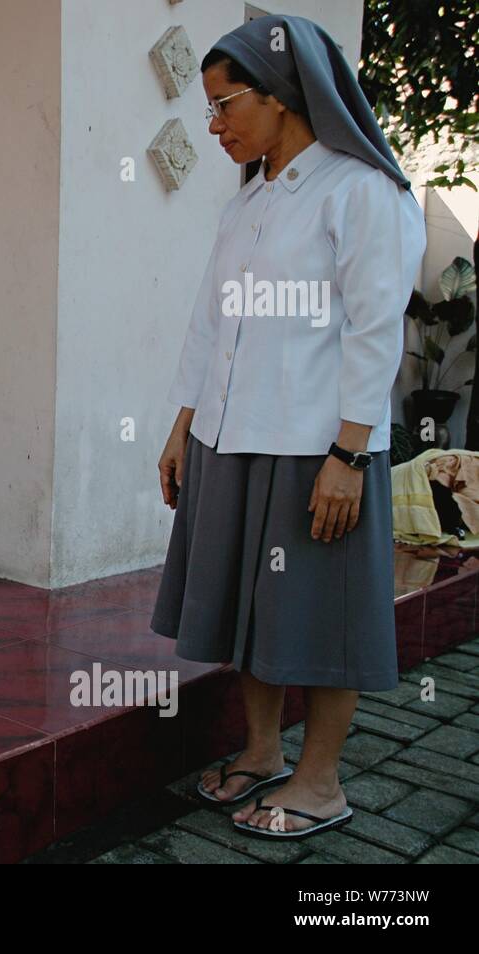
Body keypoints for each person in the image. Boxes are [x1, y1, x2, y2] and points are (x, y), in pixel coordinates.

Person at [151, 14, 426, 839]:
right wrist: (182, 426)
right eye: (207, 109)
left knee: (319, 613)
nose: (216, 125)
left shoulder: (359, 191)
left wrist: (350, 452)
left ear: (282, 96)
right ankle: (265, 752)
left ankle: (320, 782)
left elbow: (378, 332)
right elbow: (212, 325)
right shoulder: (251, 204)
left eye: (226, 104)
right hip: (232, 439)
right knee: (253, 609)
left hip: (318, 448)